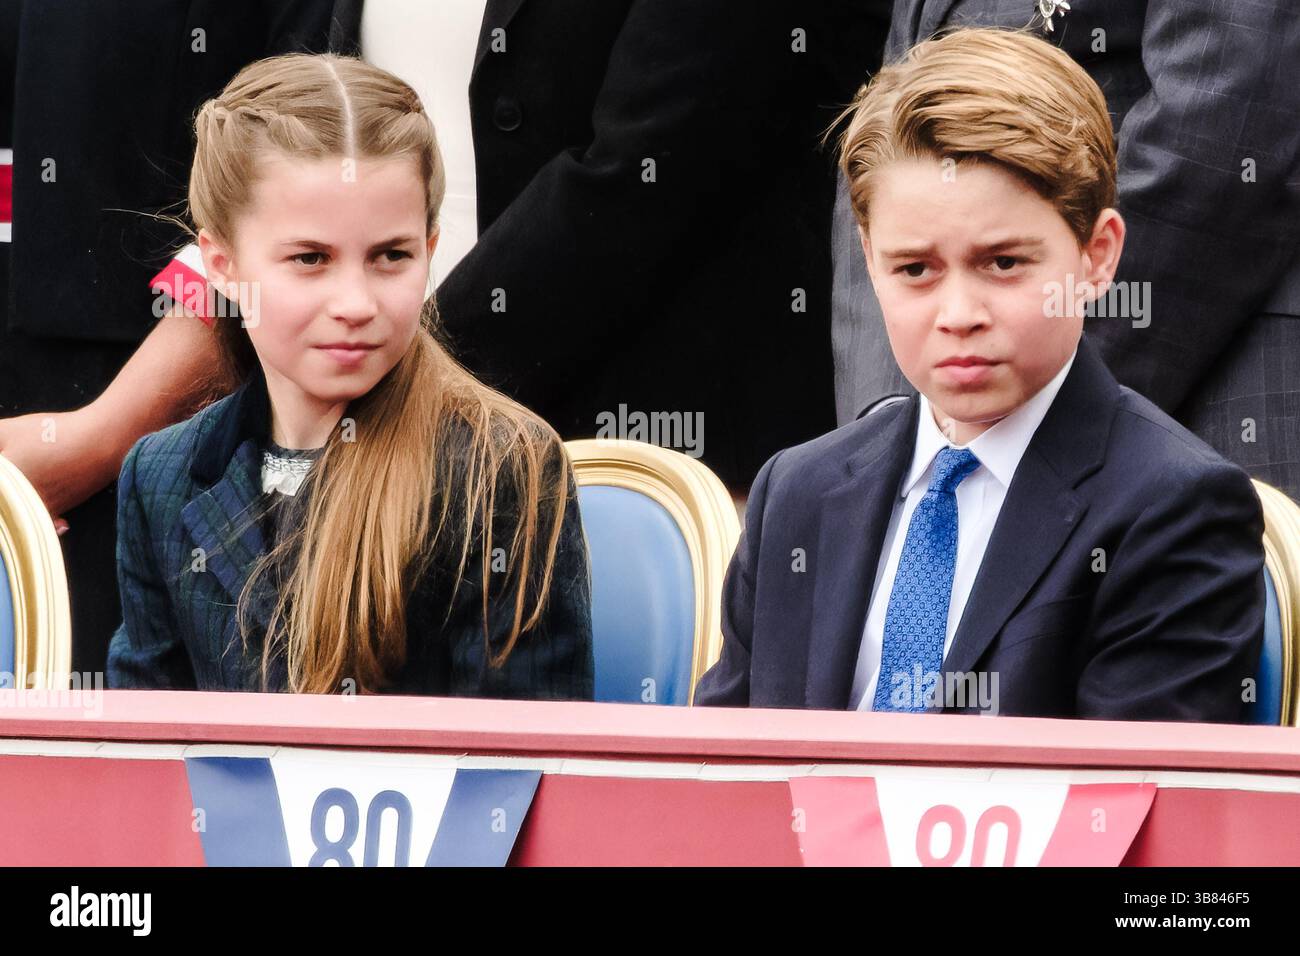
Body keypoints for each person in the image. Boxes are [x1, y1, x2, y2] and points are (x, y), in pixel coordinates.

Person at [694, 28, 1265, 722]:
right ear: (869, 260)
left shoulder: (1173, 508)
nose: (958, 314)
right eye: (915, 270)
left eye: (1003, 263)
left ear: (1098, 256)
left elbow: (1130, 812)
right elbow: (722, 771)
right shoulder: (798, 492)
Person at [107, 53, 594, 698]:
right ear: (221, 266)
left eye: (392, 256)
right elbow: (144, 755)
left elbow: (521, 763)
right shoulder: (158, 475)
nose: (357, 303)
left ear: (431, 249)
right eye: (311, 258)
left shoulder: (501, 468)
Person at [831, 0, 1300, 501]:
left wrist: (1031, 400)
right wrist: (896, 425)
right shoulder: (798, 488)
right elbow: (881, 159)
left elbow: (1223, 121)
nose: (959, 314)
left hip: (1210, 378)